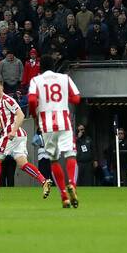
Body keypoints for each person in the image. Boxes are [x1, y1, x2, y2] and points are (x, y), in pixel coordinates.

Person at [0, 75, 48, 200]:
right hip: (18, 135)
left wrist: (12, 131)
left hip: (11, 134)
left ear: (2, 88)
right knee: (22, 163)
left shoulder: (7, 100)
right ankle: (44, 181)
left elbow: (20, 115)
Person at [27, 60, 82, 208]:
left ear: (41, 69)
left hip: (47, 124)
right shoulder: (65, 78)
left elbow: (32, 100)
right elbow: (77, 98)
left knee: (54, 159)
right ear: (54, 67)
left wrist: (34, 114)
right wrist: (65, 98)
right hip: (64, 122)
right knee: (70, 155)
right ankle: (72, 184)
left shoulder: (36, 80)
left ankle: (64, 196)